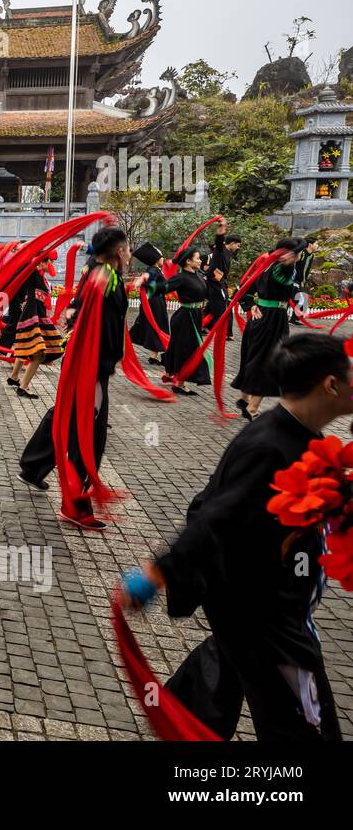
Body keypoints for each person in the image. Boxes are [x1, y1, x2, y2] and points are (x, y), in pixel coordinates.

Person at [119, 333, 353, 741]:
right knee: (306, 727)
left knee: (229, 658)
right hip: (273, 619)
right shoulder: (269, 446)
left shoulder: (297, 436)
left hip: (256, 602)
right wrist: (158, 573)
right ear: (331, 385)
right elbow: (214, 517)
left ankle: (184, 717)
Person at [18, 227, 133, 530]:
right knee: (89, 437)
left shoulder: (101, 274)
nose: (131, 254)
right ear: (120, 251)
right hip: (90, 368)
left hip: (90, 366)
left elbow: (83, 311)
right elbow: (89, 316)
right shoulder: (103, 278)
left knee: (67, 418)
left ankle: (32, 466)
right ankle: (76, 506)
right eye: (128, 248)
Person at [232, 238, 303, 420]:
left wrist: (250, 305)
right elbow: (283, 280)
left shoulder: (265, 266)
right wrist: (250, 305)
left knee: (253, 356)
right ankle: (252, 408)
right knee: (269, 360)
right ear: (290, 255)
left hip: (262, 317)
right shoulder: (281, 270)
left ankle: (244, 399)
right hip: (272, 320)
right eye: (298, 252)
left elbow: (243, 288)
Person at [145, 247, 211, 394]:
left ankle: (169, 374)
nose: (200, 260)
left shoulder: (198, 274)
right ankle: (179, 383)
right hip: (185, 317)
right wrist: (146, 284)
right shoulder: (181, 277)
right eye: (197, 258)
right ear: (188, 261)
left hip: (195, 315)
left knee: (177, 346)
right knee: (187, 349)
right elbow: (164, 287)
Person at [7, 256, 64, 399]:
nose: (52, 264)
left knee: (26, 348)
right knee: (38, 355)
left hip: (37, 317)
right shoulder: (33, 273)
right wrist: (32, 255)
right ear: (42, 262)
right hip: (30, 318)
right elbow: (25, 265)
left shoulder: (42, 278)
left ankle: (14, 377)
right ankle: (23, 387)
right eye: (50, 262)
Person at [128, 242, 169, 366]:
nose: (163, 258)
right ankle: (154, 356)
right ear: (156, 259)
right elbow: (147, 277)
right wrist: (142, 279)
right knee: (158, 327)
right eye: (161, 256)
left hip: (155, 303)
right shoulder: (153, 271)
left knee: (147, 326)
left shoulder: (156, 270)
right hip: (155, 305)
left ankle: (153, 356)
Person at [204, 220, 241, 339]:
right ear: (232, 243)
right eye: (237, 245)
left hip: (220, 283)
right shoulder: (220, 250)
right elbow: (219, 242)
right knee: (222, 307)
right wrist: (221, 230)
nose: (238, 247)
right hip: (215, 283)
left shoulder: (228, 253)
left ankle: (203, 326)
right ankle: (223, 332)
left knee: (213, 306)